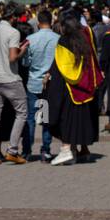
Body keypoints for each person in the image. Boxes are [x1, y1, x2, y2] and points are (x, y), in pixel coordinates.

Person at [46, 12, 103, 165]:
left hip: (68, 88)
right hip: (85, 87)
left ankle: (66, 150)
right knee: (81, 120)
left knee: (64, 118)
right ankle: (82, 150)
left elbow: (61, 68)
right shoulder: (85, 38)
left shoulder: (64, 41)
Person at [0, 3, 28, 165]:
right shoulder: (13, 32)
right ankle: (12, 150)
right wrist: (22, 50)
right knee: (22, 113)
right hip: (10, 78)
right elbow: (12, 57)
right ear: (14, 18)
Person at [23, 7, 58, 161]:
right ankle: (46, 149)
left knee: (30, 118)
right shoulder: (58, 39)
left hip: (33, 82)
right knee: (46, 118)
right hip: (50, 84)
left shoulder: (31, 39)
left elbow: (26, 62)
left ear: (38, 22)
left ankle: (27, 150)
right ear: (51, 21)